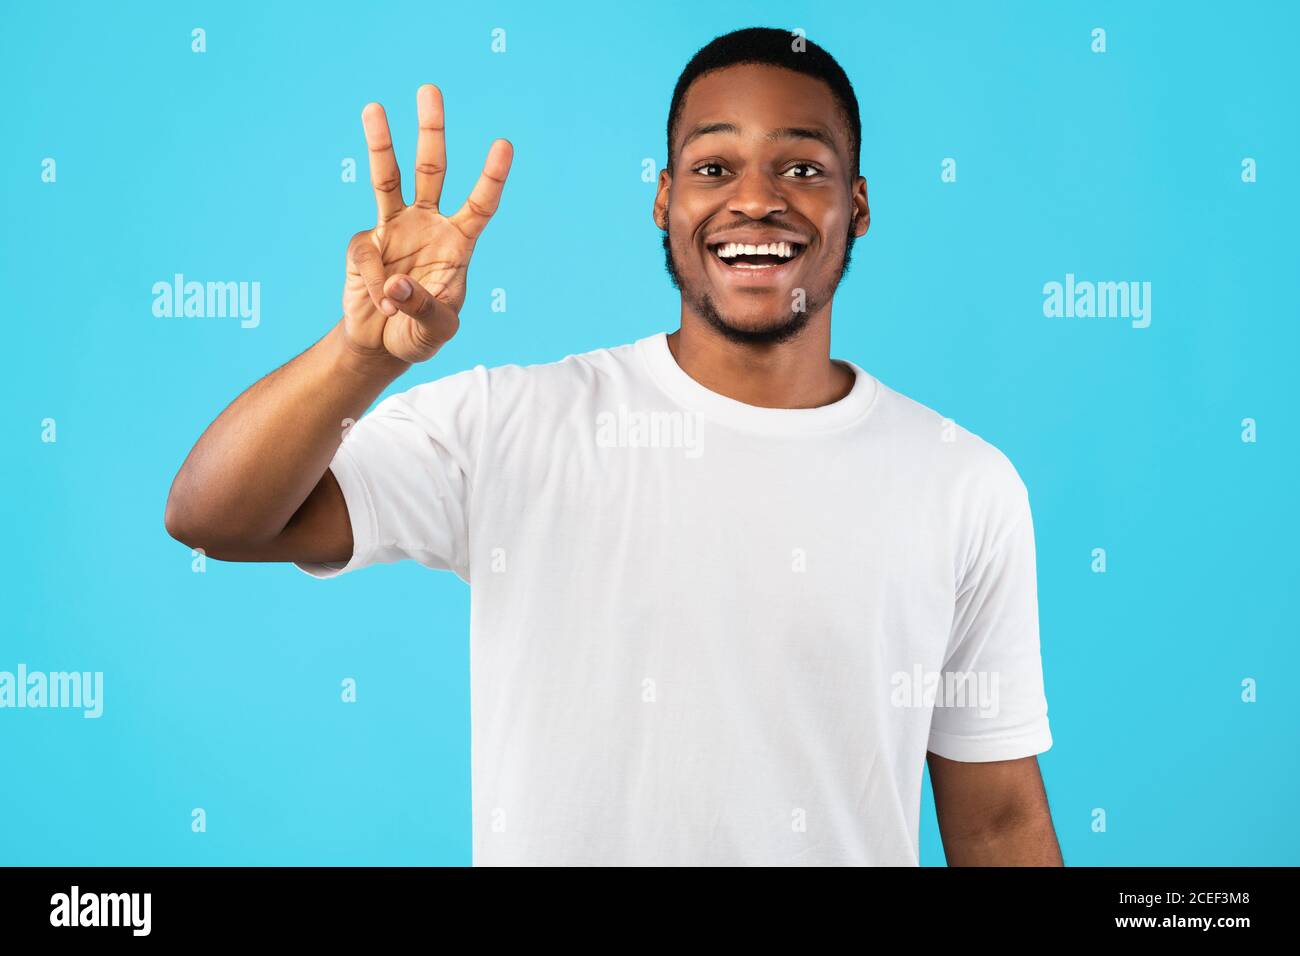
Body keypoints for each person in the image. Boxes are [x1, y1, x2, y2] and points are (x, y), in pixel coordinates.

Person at [165, 27, 1061, 866]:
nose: (756, 198)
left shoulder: (962, 483)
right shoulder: (511, 425)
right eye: (714, 165)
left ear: (856, 205)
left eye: (803, 166)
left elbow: (997, 818)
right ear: (666, 200)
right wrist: (357, 355)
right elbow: (217, 518)